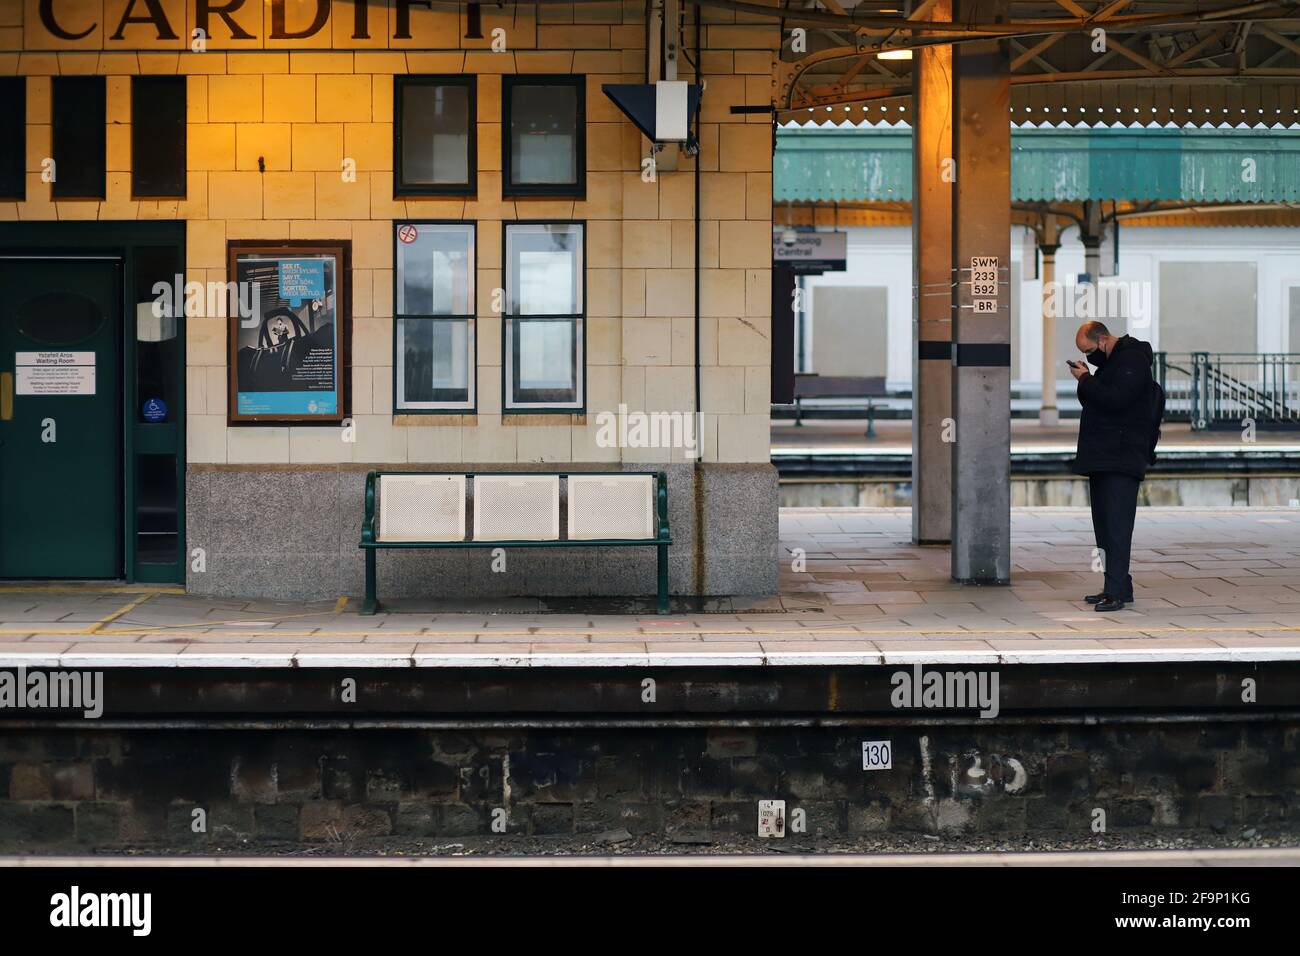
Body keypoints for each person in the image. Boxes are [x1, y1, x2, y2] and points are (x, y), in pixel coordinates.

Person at [1067, 320, 1155, 612]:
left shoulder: (1132, 359)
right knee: (1104, 525)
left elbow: (1117, 400)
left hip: (1122, 456)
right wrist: (1086, 380)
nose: (1090, 356)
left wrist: (1087, 379)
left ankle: (1115, 592)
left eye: (1090, 350)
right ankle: (1116, 585)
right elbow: (1097, 401)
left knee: (1116, 526)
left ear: (1103, 339)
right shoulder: (1111, 363)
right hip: (1104, 456)